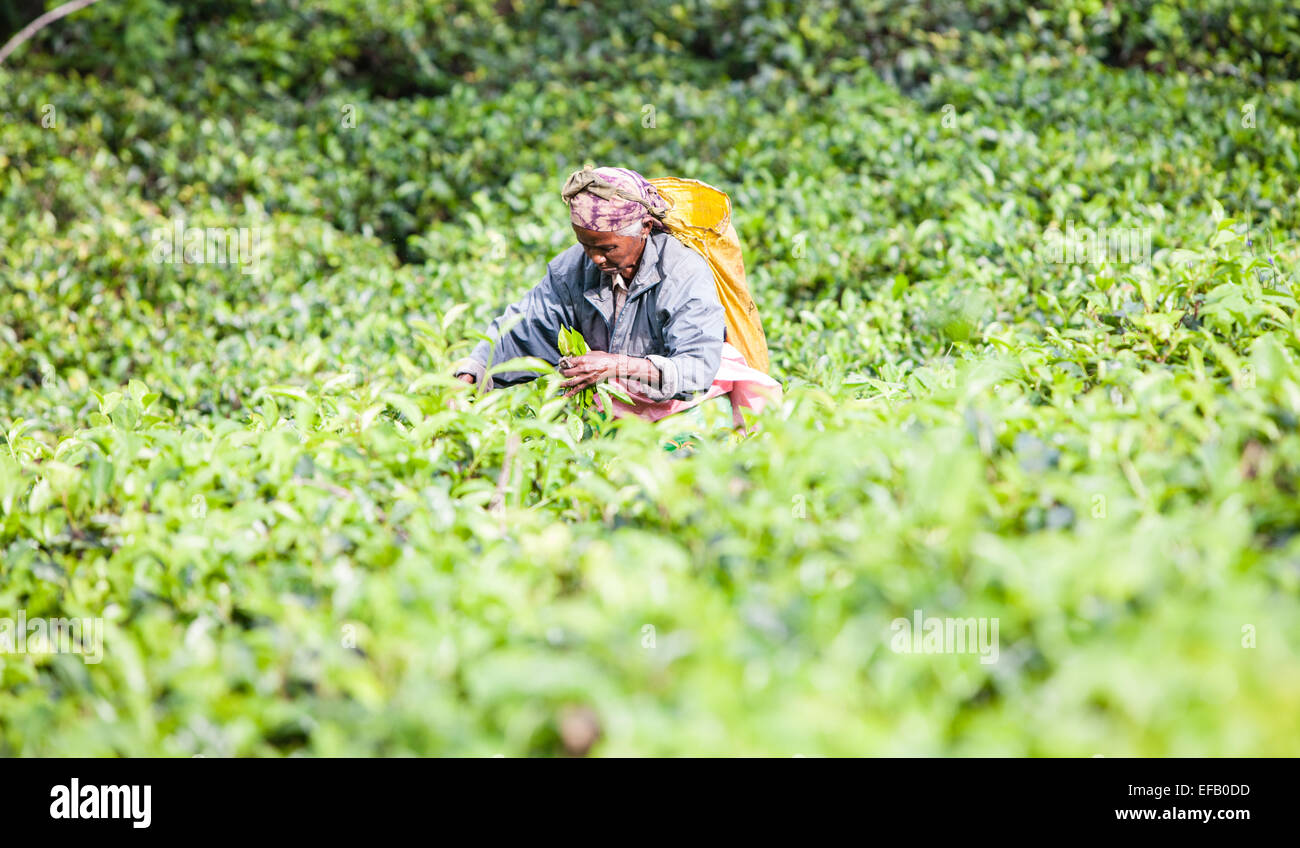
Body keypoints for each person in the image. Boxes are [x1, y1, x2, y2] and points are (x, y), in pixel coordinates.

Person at [455, 165, 779, 425]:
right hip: (619, 411)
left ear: (645, 228)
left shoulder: (683, 273)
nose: (596, 258)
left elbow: (696, 369)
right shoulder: (574, 269)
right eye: (586, 246)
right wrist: (472, 372)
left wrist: (618, 365)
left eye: (607, 247)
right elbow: (523, 327)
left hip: (690, 408)